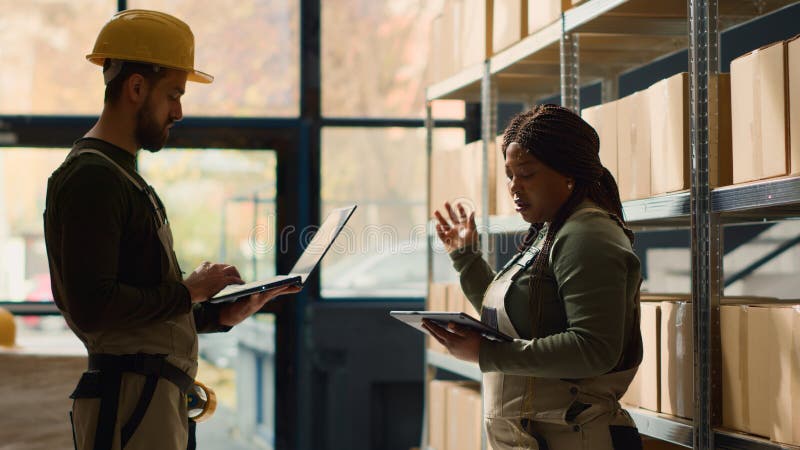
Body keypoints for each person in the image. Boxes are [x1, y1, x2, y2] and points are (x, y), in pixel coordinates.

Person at [43, 10, 300, 450]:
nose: (179, 111)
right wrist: (189, 292)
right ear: (136, 88)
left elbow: (136, 315)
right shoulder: (93, 178)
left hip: (147, 401)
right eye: (174, 95)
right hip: (129, 407)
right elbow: (93, 307)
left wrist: (215, 315)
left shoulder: (122, 176)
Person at [424, 104, 644, 449]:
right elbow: (512, 317)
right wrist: (465, 257)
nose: (514, 187)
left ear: (568, 172)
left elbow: (595, 349)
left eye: (526, 174)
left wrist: (486, 353)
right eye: (510, 174)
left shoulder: (588, 235)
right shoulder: (551, 232)